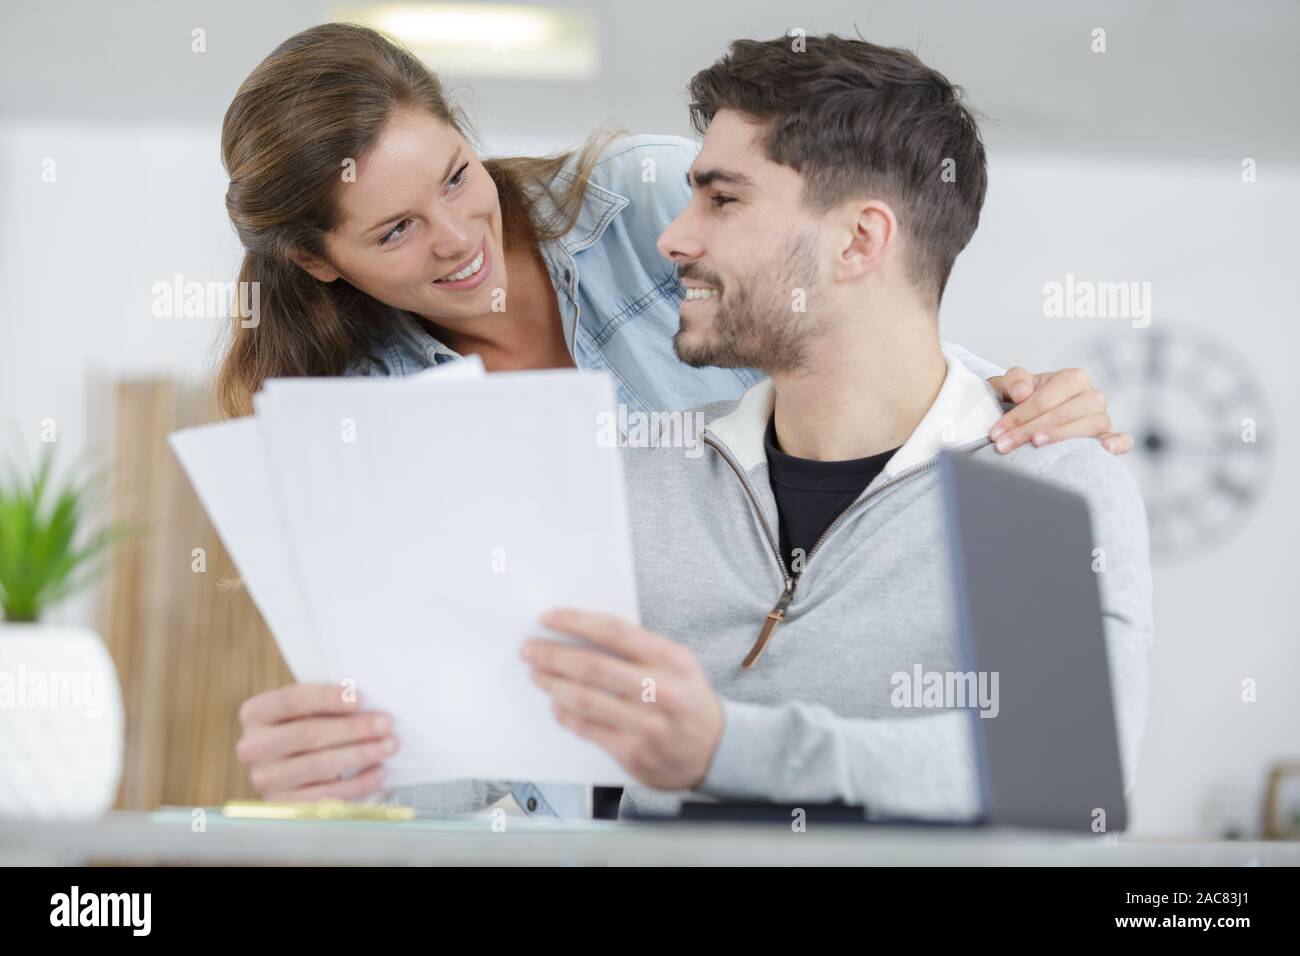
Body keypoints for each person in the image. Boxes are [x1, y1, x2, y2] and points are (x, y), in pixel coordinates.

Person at [226, 24, 1133, 818]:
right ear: (319, 260)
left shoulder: (1040, 477)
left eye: (460, 176)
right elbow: (507, 711)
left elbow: (872, 330)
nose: (461, 236)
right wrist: (360, 770)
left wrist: (999, 402)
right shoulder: (610, 480)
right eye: (395, 231)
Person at [520, 34, 1153, 821]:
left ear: (859, 241)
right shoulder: (638, 473)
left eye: (722, 199)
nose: (674, 237)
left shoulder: (1044, 476)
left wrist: (729, 749)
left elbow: (1064, 766)